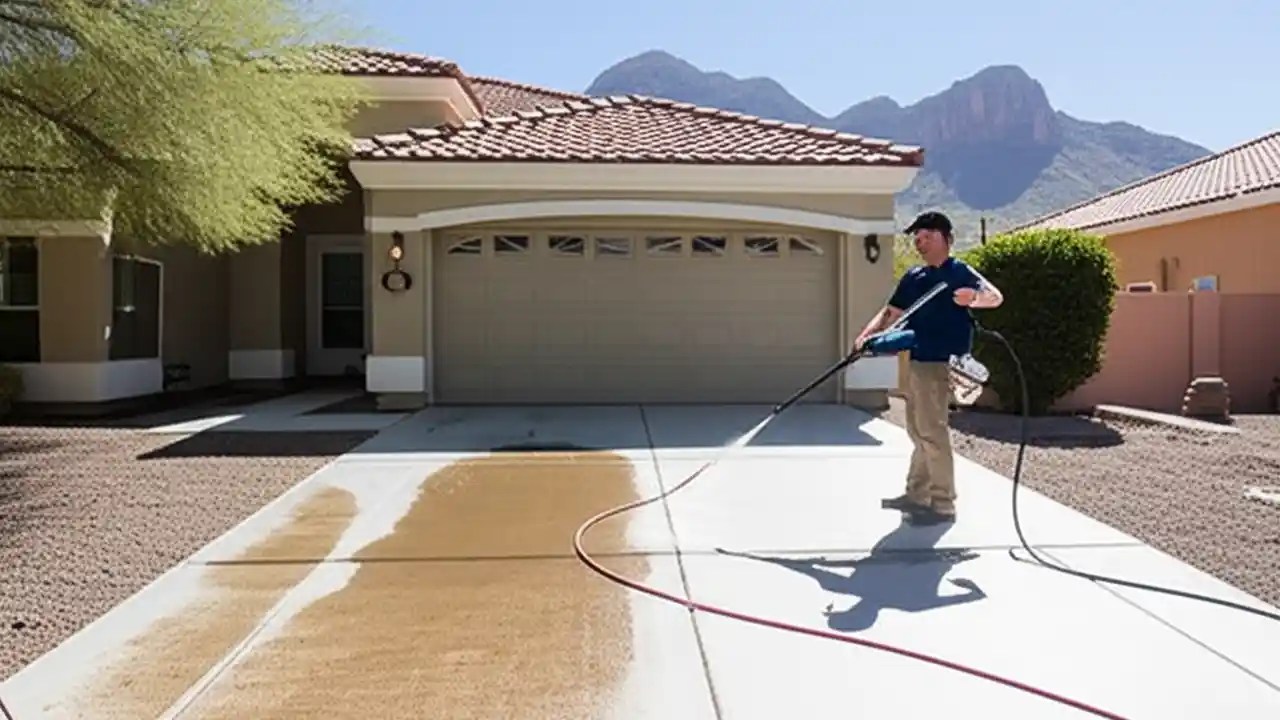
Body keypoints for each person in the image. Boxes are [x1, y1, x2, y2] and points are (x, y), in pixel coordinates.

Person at [853, 211, 1004, 525]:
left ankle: (942, 504)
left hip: (941, 364)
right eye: (916, 238)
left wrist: (973, 298)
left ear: (945, 238)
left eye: (926, 237)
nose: (920, 243)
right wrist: (866, 336)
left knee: (932, 432)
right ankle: (917, 494)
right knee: (917, 430)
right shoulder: (915, 278)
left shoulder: (959, 271)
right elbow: (890, 312)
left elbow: (995, 297)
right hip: (917, 361)